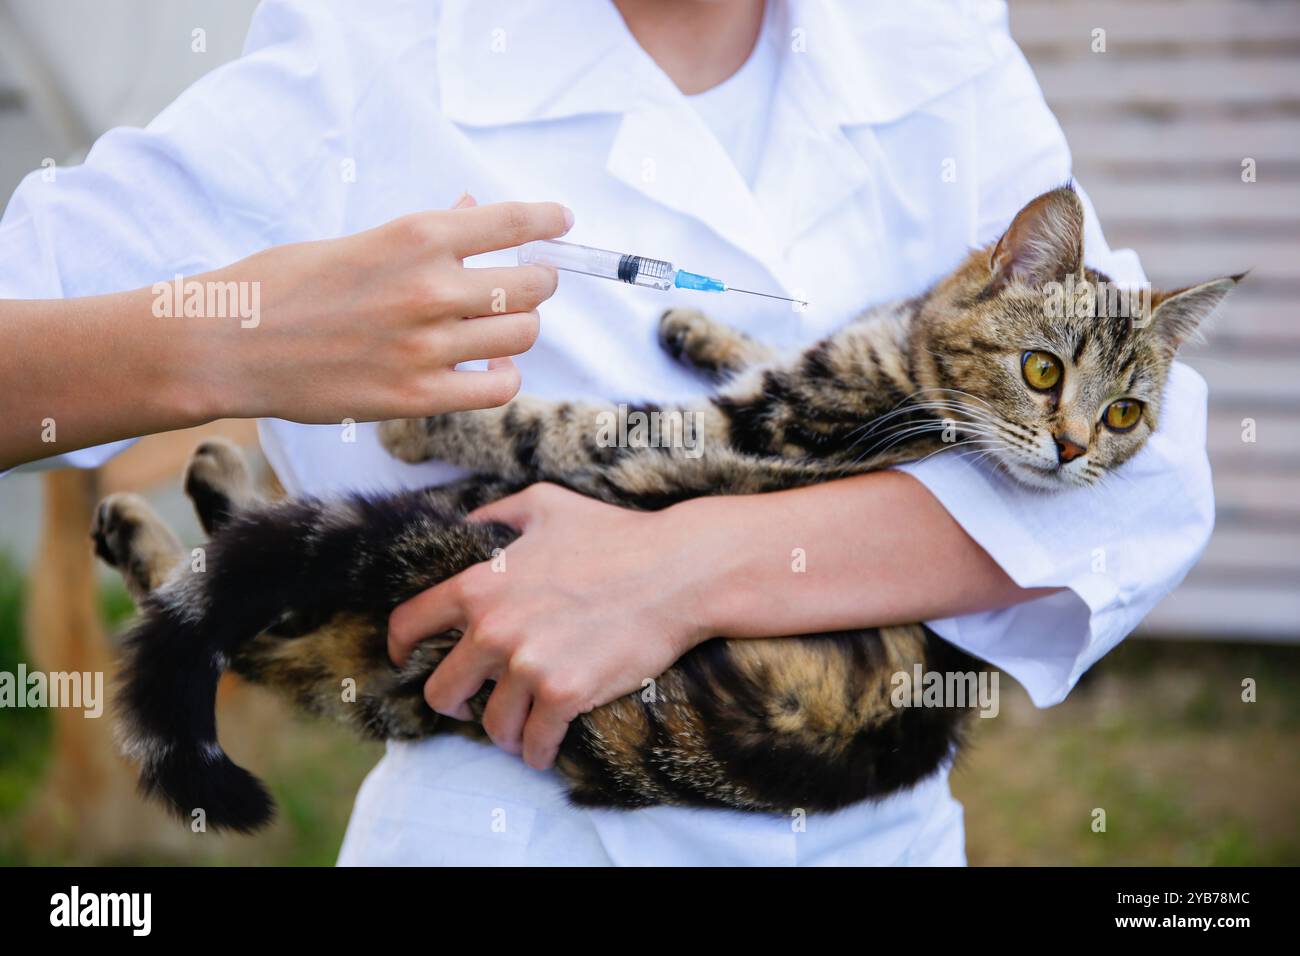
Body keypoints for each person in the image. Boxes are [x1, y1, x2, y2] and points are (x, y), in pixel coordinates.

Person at [0, 0, 1213, 865]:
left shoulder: (926, 30)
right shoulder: (367, 45)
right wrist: (239, 334)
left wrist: (671, 572)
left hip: (883, 832)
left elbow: (1143, 478)